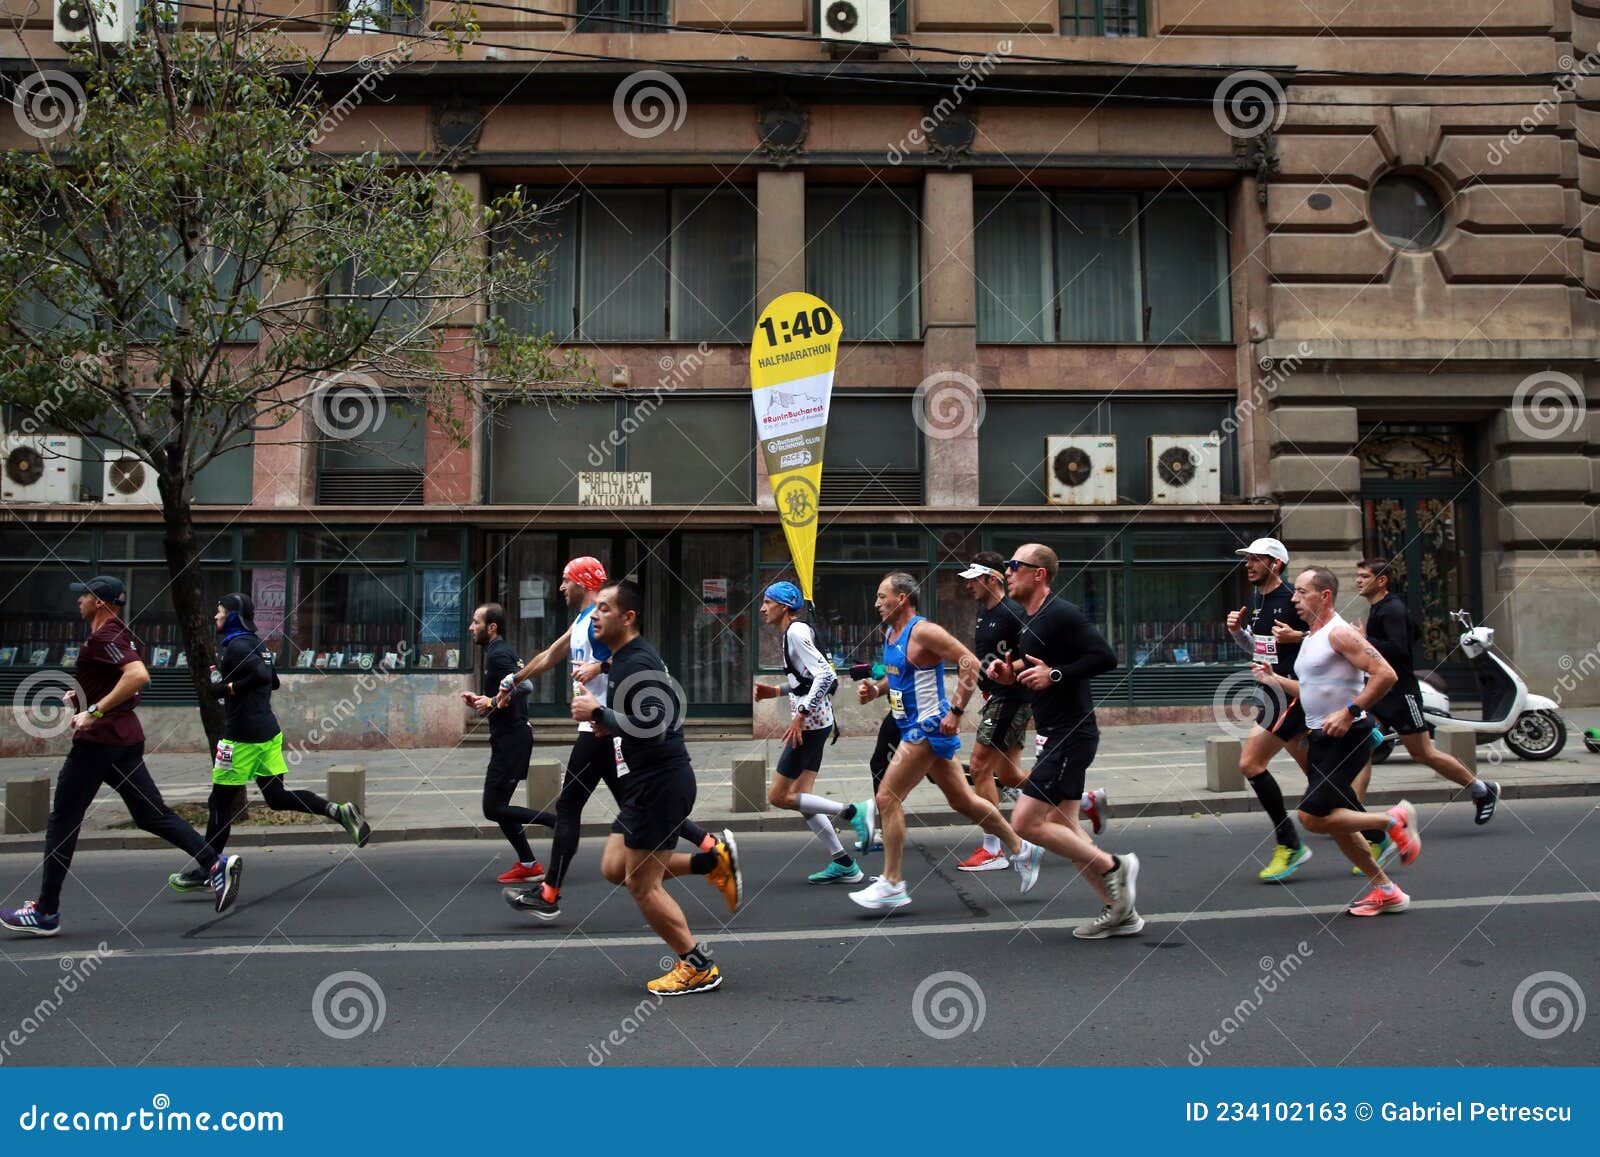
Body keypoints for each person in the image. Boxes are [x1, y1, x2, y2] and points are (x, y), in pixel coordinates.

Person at [2, 577, 241, 937]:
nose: (79, 600)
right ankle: (214, 862)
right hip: (122, 739)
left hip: (99, 744)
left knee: (62, 822)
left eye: (84, 595)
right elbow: (119, 680)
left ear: (100, 601)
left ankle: (46, 912)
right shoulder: (115, 633)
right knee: (151, 814)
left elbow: (137, 676)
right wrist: (82, 698)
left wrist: (94, 711)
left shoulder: (106, 636)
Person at [498, 558, 734, 921]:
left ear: (582, 582)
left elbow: (638, 656)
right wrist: (511, 684)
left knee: (571, 807)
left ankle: (549, 894)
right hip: (602, 729)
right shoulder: (583, 621)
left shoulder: (604, 621)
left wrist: (601, 669)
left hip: (608, 727)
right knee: (629, 805)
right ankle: (711, 849)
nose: (560, 587)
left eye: (566, 580)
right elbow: (548, 655)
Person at [570, 582, 732, 995]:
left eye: (604, 609)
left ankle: (697, 965)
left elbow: (657, 725)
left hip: (660, 782)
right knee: (613, 868)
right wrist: (608, 718)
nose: (595, 616)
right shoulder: (624, 659)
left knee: (642, 884)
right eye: (594, 609)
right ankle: (712, 862)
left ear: (628, 618)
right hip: (646, 782)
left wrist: (599, 711)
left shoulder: (636, 662)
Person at [847, 573, 1042, 911]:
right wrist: (874, 690)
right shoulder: (891, 633)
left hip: (928, 727)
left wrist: (955, 711)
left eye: (882, 596)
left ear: (903, 599)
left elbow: (970, 662)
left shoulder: (923, 631)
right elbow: (900, 679)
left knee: (887, 797)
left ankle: (892, 883)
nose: (876, 603)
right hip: (912, 726)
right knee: (963, 801)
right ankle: (1022, 848)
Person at [986, 544, 1141, 940]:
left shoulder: (1063, 613)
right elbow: (1033, 661)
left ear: (1039, 573)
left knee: (1025, 822)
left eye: (1015, 565)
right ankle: (1121, 912)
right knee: (1065, 828)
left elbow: (1105, 657)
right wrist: (1010, 672)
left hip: (1071, 733)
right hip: (1052, 732)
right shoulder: (1029, 619)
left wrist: (1054, 676)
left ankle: (1114, 866)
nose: (1008, 571)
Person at [168, 594, 368, 893]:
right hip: (267, 732)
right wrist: (232, 685)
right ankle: (337, 811)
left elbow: (261, 676)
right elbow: (272, 680)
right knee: (275, 796)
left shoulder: (236, 646)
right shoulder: (256, 644)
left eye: (220, 611)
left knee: (220, 804)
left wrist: (224, 688)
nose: (215, 616)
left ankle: (208, 869)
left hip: (241, 738)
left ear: (233, 615)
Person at [1252, 567, 1422, 916]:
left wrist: (1349, 711)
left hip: (1348, 734)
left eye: (1301, 592)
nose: (1294, 599)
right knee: (1340, 822)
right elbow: (1312, 689)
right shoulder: (1312, 636)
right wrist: (1275, 680)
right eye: (1295, 592)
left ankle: (1394, 821)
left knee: (1311, 817)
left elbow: (1385, 674)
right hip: (1320, 737)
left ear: (1324, 596)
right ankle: (1387, 890)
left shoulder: (1339, 633)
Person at [954, 552, 1107, 872]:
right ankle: (1086, 799)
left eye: (974, 581)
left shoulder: (1013, 613)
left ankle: (993, 849)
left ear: (991, 579)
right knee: (1008, 775)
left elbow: (1039, 652)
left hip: (1011, 699)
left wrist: (1027, 676)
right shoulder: (986, 612)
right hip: (999, 696)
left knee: (980, 768)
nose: (969, 587)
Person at [1355, 558, 1498, 825]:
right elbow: (1416, 632)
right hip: (1380, 690)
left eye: (1364, 576)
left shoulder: (1391, 609)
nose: (1358, 581)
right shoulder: (1379, 608)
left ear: (1381, 580)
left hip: (1401, 693)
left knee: (1422, 753)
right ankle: (1354, 815)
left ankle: (1481, 789)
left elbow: (1400, 649)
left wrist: (1365, 640)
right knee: (1361, 748)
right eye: (1358, 576)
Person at [753, 581, 865, 884]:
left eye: (768, 602)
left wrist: (800, 716)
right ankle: (843, 863)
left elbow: (826, 675)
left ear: (784, 607)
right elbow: (806, 680)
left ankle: (854, 812)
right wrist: (775, 690)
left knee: (778, 796)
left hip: (810, 725)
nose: (762, 608)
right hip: (818, 722)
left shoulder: (796, 632)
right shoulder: (794, 632)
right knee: (802, 799)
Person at [1224, 537, 1317, 882]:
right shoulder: (1257, 600)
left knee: (1250, 762)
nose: (1248, 565)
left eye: (1255, 560)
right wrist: (1237, 633)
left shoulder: (1294, 598)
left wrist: (1299, 637)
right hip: (1272, 694)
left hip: (1292, 695)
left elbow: (1332, 639)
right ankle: (1377, 834)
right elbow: (1259, 649)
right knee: (1320, 779)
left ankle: (1289, 843)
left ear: (1275, 564)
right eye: (1246, 559)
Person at [463, 602, 556, 884]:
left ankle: (555, 822)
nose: (471, 627)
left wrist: (492, 700)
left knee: (493, 808)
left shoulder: (498, 654)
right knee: (500, 806)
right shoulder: (497, 651)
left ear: (491, 627)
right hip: (510, 737)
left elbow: (526, 685)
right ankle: (528, 864)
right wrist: (486, 702)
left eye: (476, 622)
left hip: (512, 739)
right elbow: (507, 690)